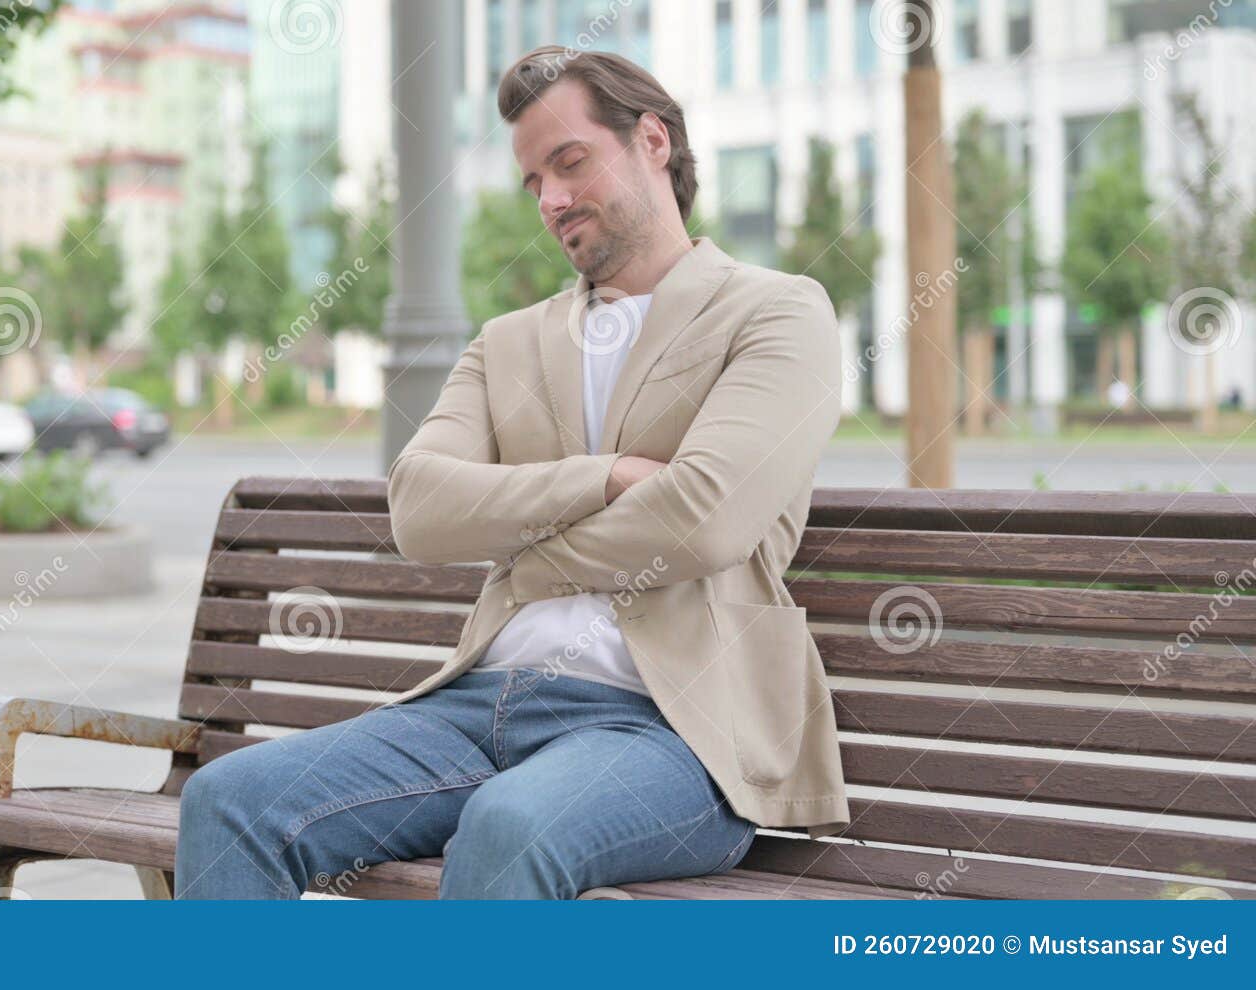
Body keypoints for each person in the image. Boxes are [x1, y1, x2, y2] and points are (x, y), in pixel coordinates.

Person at [176, 45, 850, 900]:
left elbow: (704, 520)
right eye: (534, 181)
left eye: (569, 163)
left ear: (653, 142)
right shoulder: (508, 343)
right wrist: (600, 479)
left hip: (674, 734)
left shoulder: (777, 311)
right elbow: (419, 510)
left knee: (507, 825)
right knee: (229, 799)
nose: (553, 200)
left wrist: (526, 558)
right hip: (476, 708)